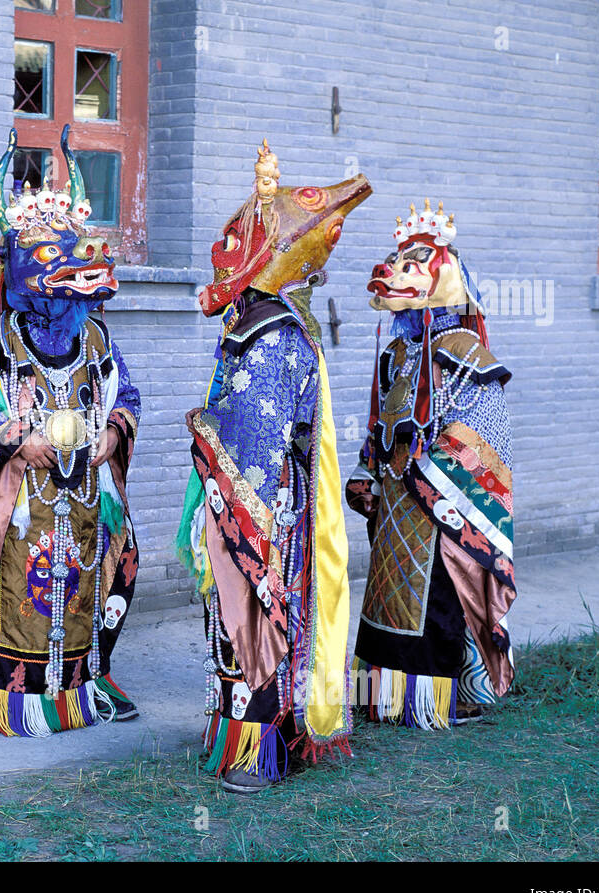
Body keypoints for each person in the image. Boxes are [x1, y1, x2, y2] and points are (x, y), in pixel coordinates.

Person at [177, 142, 371, 793]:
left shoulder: (270, 332)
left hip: (263, 509)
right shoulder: (262, 323)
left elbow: (256, 441)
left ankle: (259, 749)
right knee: (245, 621)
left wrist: (214, 461)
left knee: (256, 615)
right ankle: (251, 736)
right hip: (257, 499)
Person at [0, 128, 141, 736]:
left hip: (80, 493)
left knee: (99, 568)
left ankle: (82, 680)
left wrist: (113, 436)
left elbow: (123, 395)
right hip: (18, 498)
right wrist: (15, 445)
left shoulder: (97, 339)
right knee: (0, 570)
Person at [347, 200, 517, 729]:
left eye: (413, 264)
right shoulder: (397, 355)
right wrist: (367, 471)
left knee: (437, 600)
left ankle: (440, 695)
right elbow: (382, 425)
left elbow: (484, 436)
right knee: (384, 599)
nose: (393, 272)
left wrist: (425, 471)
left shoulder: (464, 354)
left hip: (440, 511)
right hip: (397, 511)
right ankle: (380, 695)